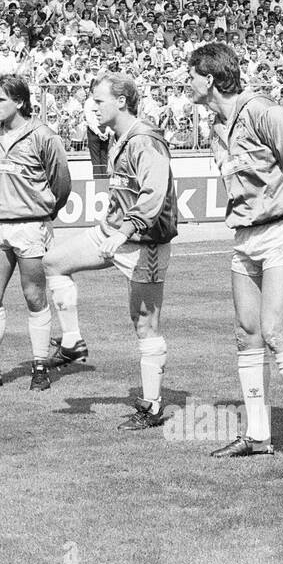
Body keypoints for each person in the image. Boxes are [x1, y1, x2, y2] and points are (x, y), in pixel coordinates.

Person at [188, 43, 283, 475]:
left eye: (191, 75)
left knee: (275, 331)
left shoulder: (265, 113)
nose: (186, 82)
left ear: (209, 79)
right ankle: (257, 434)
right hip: (245, 235)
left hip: (282, 228)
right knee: (246, 333)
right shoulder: (217, 126)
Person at [43, 73, 179, 428]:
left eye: (99, 100)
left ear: (121, 101)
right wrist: (115, 227)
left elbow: (154, 193)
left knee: (145, 324)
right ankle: (72, 342)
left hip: (142, 244)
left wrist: (128, 229)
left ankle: (151, 407)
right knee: (54, 262)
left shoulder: (146, 140)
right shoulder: (120, 138)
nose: (93, 106)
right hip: (113, 233)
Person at [0, 74, 71, 391]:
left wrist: (42, 214)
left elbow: (61, 184)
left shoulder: (44, 136)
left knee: (34, 297)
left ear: (19, 102)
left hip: (31, 227)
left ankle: (39, 367)